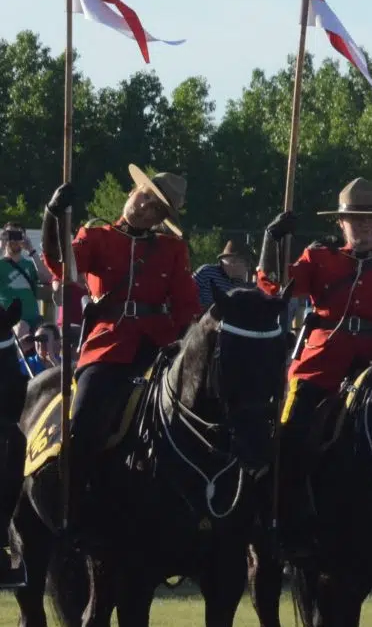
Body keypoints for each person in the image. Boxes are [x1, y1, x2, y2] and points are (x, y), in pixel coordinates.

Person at [259, 180, 372, 550]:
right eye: (356, 219)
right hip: (321, 367)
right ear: (341, 223)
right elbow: (276, 287)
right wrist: (271, 243)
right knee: (287, 433)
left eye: (371, 219)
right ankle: (279, 520)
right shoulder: (319, 259)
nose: (364, 226)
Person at [41, 167, 203, 526]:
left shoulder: (172, 249)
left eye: (156, 208)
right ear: (133, 191)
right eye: (145, 197)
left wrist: (188, 347)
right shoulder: (97, 236)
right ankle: (73, 509)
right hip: (109, 347)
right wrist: (53, 216)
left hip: (159, 348)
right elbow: (63, 266)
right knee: (83, 423)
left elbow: (186, 306)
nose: (145, 208)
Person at [0, 225, 53, 331]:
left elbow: (47, 278)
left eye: (18, 235)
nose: (14, 240)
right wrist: (1, 245)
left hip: (34, 319)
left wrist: (31, 250)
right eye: (10, 235)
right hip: (10, 321)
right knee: (22, 328)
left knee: (47, 333)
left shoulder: (29, 264)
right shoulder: (1, 265)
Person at [194, 235, 255, 313]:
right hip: (196, 320)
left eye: (247, 264)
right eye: (245, 263)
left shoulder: (241, 286)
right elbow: (185, 292)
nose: (247, 268)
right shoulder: (207, 271)